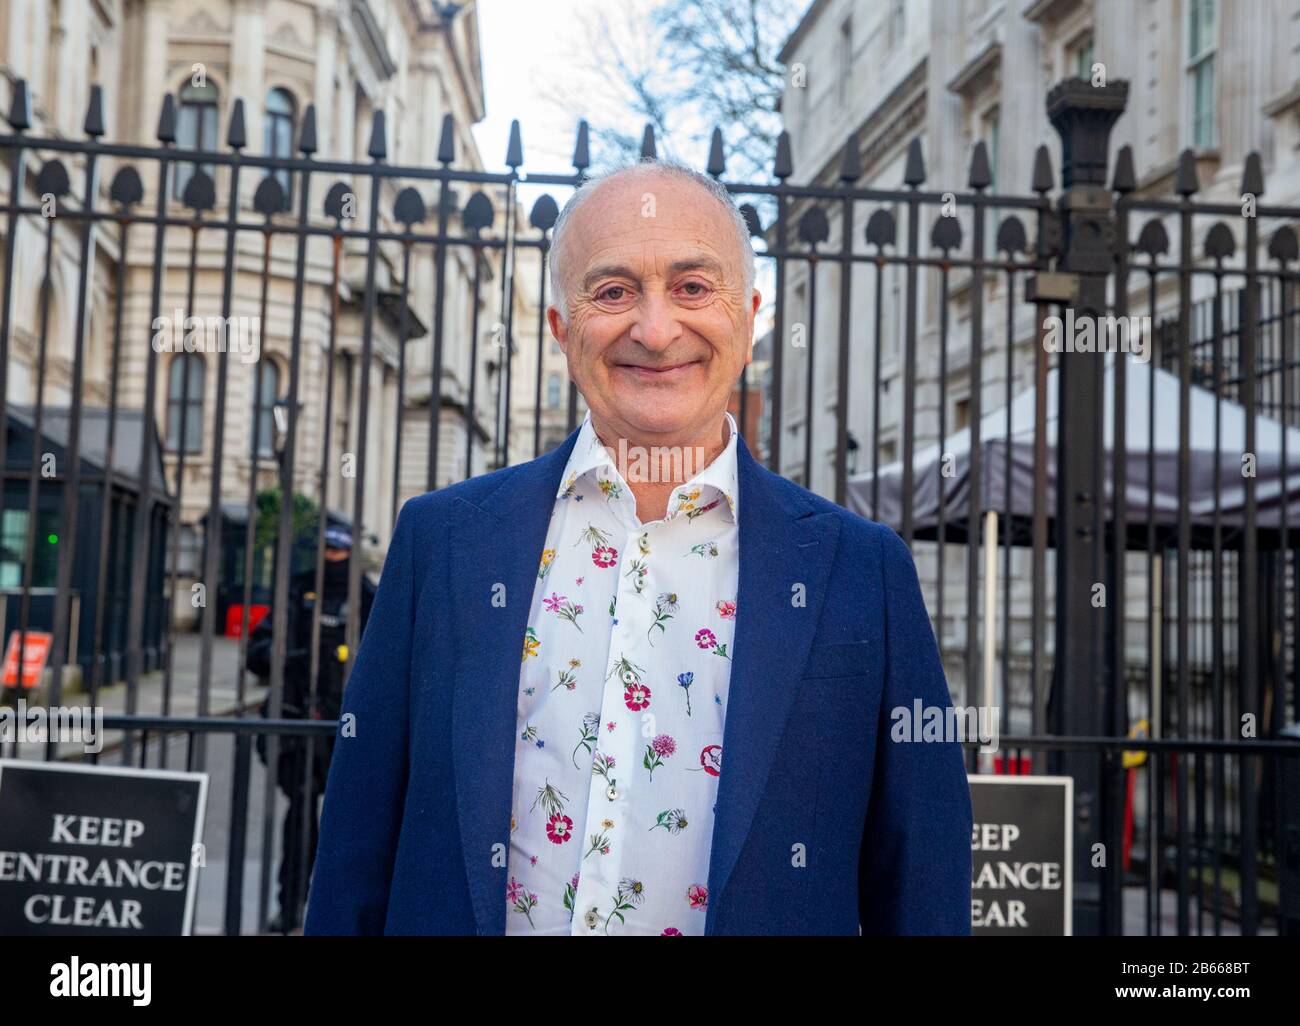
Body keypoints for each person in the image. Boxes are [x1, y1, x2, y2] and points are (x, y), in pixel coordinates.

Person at [306, 160, 972, 936]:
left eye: (693, 287)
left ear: (751, 318)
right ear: (562, 330)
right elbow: (357, 851)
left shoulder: (863, 571)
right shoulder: (444, 543)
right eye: (614, 291)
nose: (655, 332)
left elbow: (921, 875)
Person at [246, 525, 376, 933]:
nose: (331, 559)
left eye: (338, 553)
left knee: (353, 824)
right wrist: (289, 654)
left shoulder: (369, 596)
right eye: (326, 552)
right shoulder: (297, 591)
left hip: (353, 727)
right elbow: (258, 653)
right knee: (300, 817)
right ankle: (289, 909)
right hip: (299, 721)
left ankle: (345, 914)